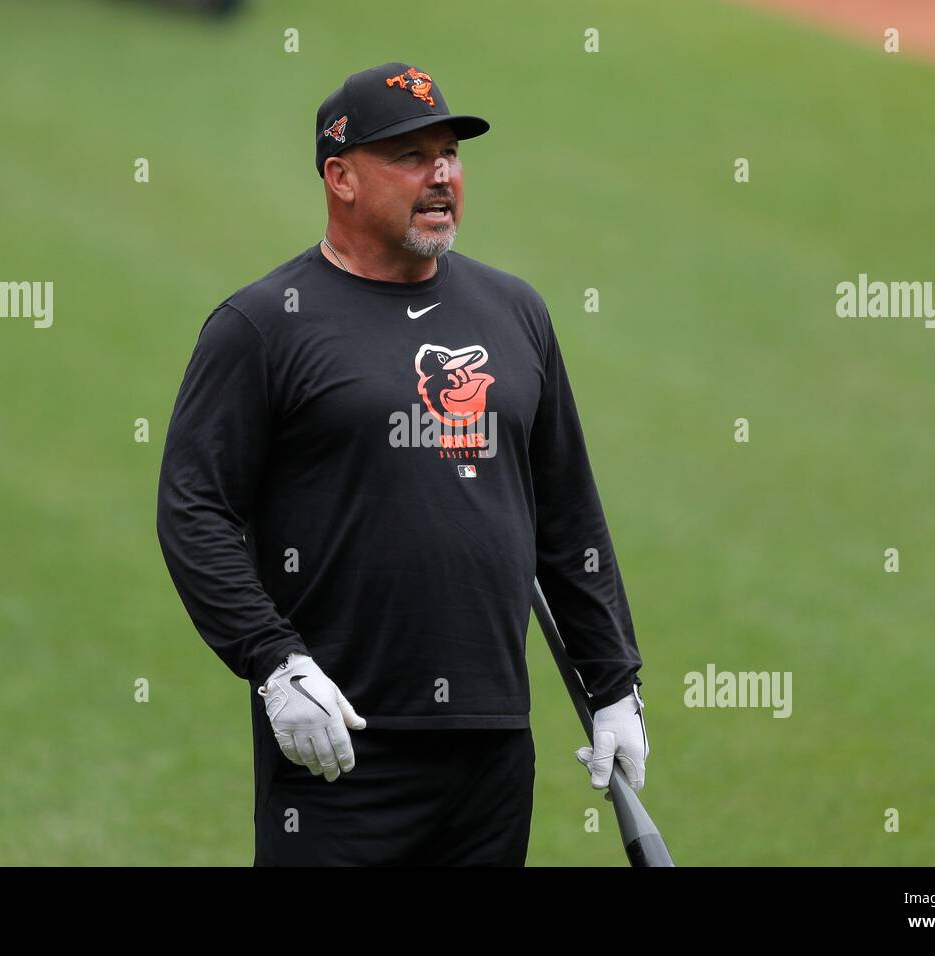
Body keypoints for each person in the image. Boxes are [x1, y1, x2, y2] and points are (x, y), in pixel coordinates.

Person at [156, 62, 647, 866]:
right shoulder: (263, 326)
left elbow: (566, 512)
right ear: (340, 176)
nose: (442, 175)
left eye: (450, 154)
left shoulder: (515, 310)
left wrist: (615, 681)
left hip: (491, 750)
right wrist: (274, 664)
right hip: (338, 746)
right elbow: (192, 510)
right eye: (410, 157)